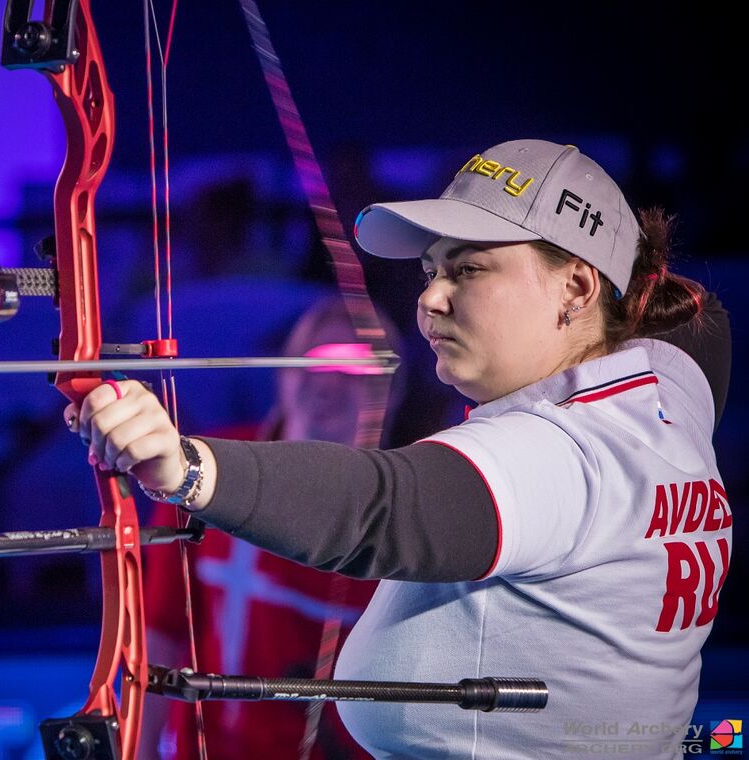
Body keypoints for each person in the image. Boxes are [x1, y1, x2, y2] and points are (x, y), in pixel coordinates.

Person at [66, 139, 732, 759]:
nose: (431, 299)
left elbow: (381, 507)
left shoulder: (564, 451)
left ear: (577, 288)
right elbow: (707, 340)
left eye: (468, 269)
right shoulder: (665, 404)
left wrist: (184, 467)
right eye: (430, 271)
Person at [140, 295, 384, 760]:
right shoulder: (200, 467)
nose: (329, 382)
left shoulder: (400, 512)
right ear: (285, 376)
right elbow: (159, 631)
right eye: (312, 362)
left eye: (354, 368)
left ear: (390, 391)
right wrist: (140, 749)